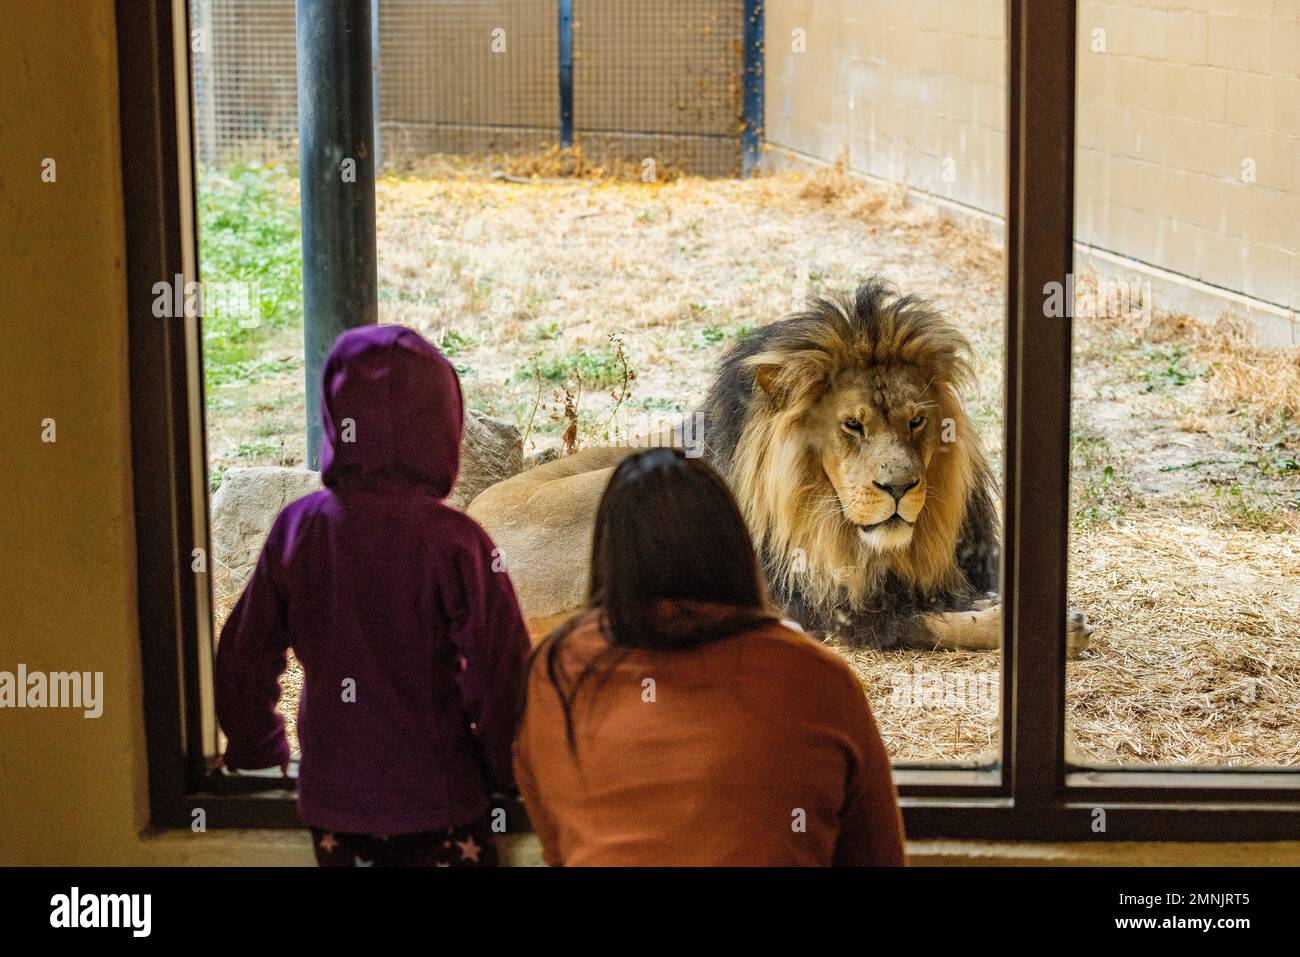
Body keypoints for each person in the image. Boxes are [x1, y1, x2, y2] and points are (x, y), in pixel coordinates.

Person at [215, 325, 531, 867]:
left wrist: (260, 754)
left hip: (336, 808)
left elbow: (243, 657)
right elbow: (504, 673)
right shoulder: (458, 542)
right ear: (444, 427)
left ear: (336, 421)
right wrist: (499, 771)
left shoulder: (299, 529)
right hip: (446, 803)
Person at [514, 448, 906, 866]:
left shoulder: (554, 669)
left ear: (609, 557)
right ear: (736, 549)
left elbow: (559, 844)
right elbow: (878, 854)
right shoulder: (819, 677)